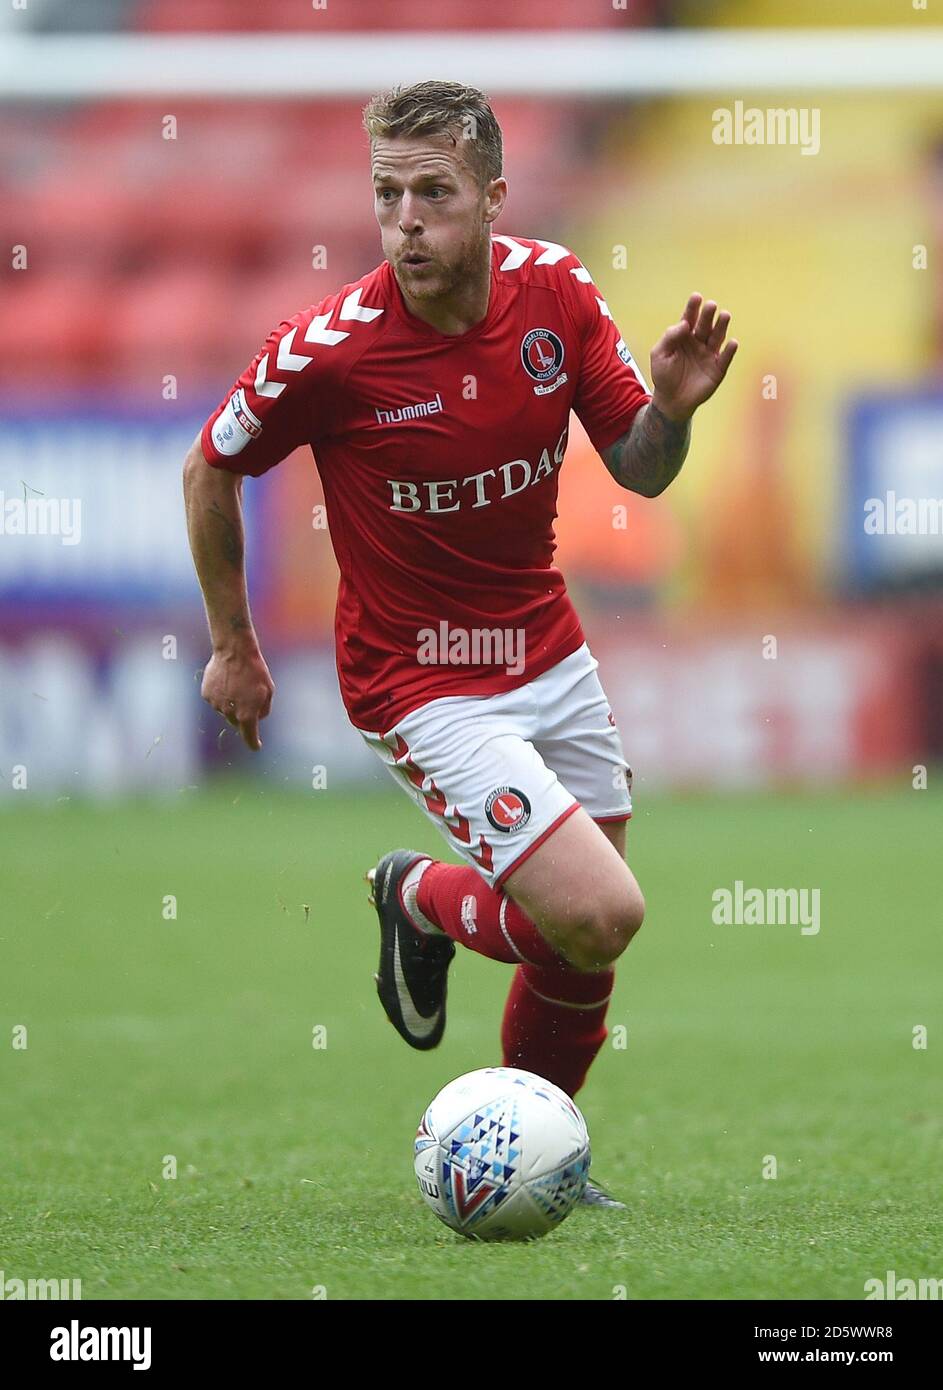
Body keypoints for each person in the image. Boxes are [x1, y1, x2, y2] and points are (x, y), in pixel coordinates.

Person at [183, 80, 737, 1209]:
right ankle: (426, 898)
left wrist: (671, 412)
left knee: (581, 938)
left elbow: (636, 468)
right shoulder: (329, 352)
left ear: (491, 196)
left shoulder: (556, 292)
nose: (405, 221)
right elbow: (210, 468)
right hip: (420, 678)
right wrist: (234, 645)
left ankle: (530, 1164)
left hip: (547, 647)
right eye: (387, 195)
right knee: (599, 913)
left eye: (431, 193)